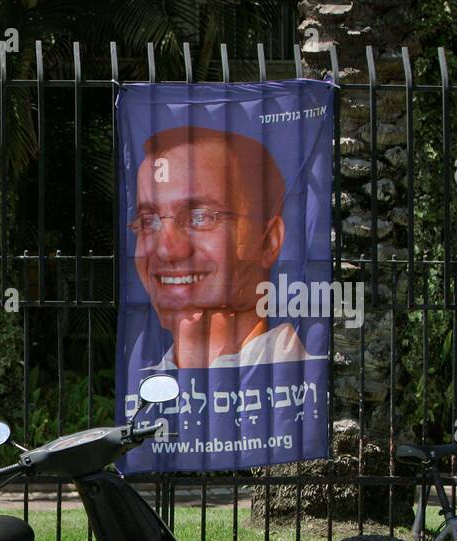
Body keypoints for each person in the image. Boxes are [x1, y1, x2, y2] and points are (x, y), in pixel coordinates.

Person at [130, 124, 320, 370]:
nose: (166, 250)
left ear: (268, 242)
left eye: (200, 218)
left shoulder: (298, 378)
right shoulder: (145, 393)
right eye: (148, 221)